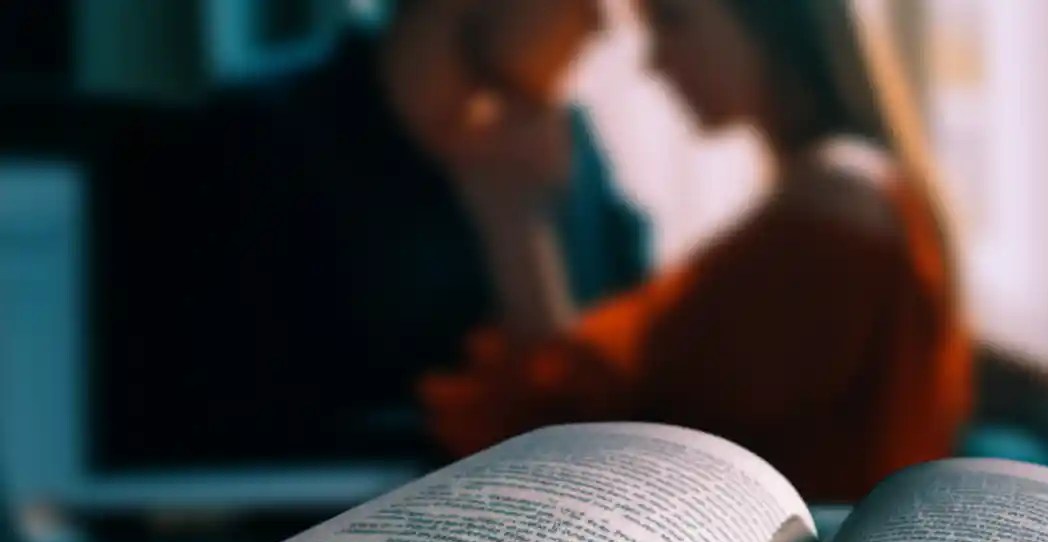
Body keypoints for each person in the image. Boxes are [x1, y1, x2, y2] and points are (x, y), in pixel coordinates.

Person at [421, 0, 972, 501]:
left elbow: (595, 430)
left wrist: (516, 220)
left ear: (770, 24)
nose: (654, 62)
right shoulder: (852, 191)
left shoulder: (832, 209)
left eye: (673, 21)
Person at [99, 0, 648, 465]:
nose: (601, 24)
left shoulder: (570, 158)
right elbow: (207, 434)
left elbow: (621, 417)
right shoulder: (248, 144)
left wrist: (525, 243)